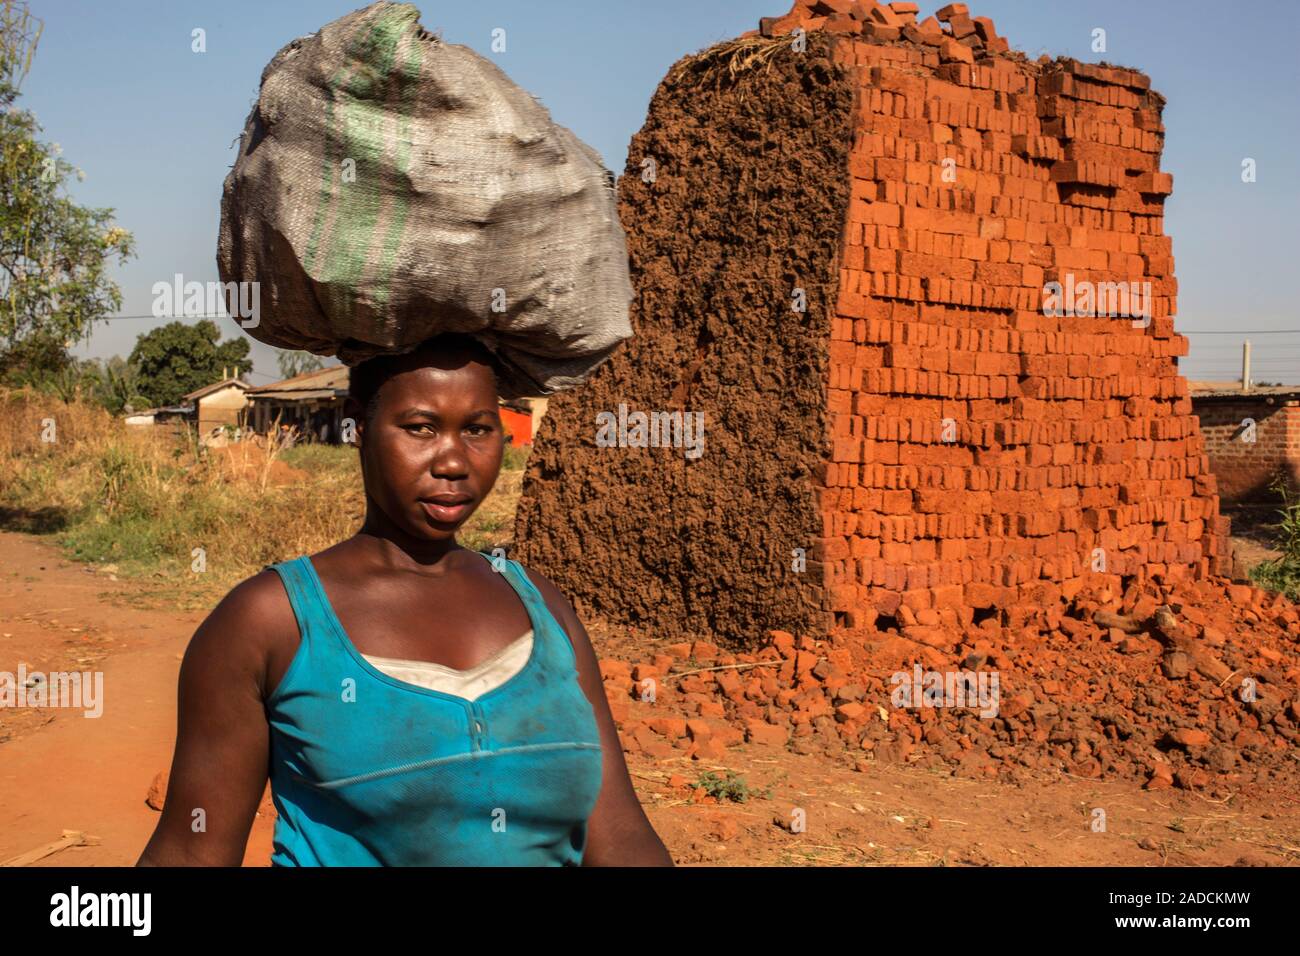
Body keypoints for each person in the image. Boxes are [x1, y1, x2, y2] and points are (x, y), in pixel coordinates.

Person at [137, 333, 672, 866]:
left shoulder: (545, 610)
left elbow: (622, 837)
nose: (454, 462)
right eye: (421, 428)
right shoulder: (271, 621)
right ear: (359, 426)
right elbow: (191, 850)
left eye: (478, 430)